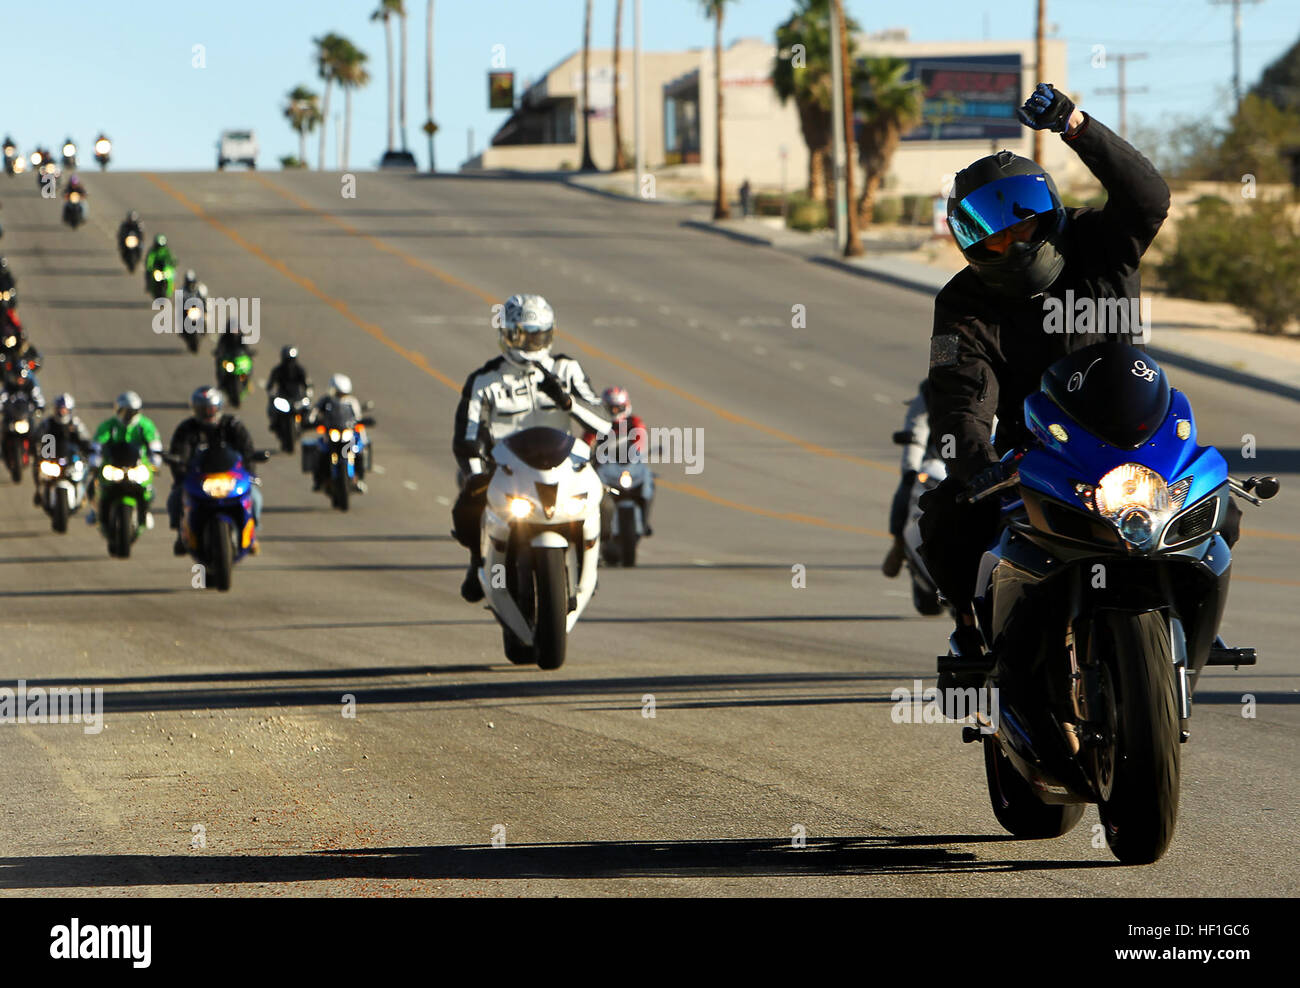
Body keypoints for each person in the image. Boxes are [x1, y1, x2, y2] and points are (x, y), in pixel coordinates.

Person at [918, 82, 1193, 676]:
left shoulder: (1100, 244)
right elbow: (959, 397)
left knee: (1220, 499)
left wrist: (1076, 125)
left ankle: (1191, 626)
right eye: (991, 231)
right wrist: (976, 464)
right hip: (1033, 456)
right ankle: (971, 630)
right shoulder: (962, 303)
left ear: (1046, 213)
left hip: (1131, 436)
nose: (1010, 238)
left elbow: (1149, 196)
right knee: (946, 515)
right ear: (968, 239)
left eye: (1020, 221)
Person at [450, 293, 610, 602]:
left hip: (562, 468)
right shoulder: (485, 380)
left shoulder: (567, 370)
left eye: (538, 336)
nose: (531, 344)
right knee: (467, 507)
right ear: (507, 334)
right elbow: (466, 435)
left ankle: (588, 565)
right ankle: (476, 560)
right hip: (507, 470)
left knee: (606, 505)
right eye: (523, 335)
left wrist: (567, 402)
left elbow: (604, 423)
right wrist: (476, 474)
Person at [166, 386, 262, 555]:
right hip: (200, 480)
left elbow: (247, 451)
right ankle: (181, 535)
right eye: (202, 410)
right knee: (175, 497)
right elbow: (179, 454)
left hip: (230, 478)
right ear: (195, 410)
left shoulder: (233, 425)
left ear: (218, 408)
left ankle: (252, 536)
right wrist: (182, 474)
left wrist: (250, 473)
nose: (207, 413)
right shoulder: (187, 429)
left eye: (210, 409)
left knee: (254, 496)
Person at [87, 391, 163, 528]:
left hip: (138, 465)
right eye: (124, 411)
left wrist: (155, 460)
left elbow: (155, 445)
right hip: (112, 465)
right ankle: (96, 511)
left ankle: (144, 512)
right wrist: (94, 460)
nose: (128, 415)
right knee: (94, 486)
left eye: (131, 411)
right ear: (117, 410)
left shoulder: (145, 425)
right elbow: (97, 444)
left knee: (149, 490)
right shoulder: (109, 425)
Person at [882, 380, 933, 578]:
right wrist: (911, 469)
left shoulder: (988, 389)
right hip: (933, 461)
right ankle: (899, 542)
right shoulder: (929, 394)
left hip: (970, 462)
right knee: (907, 485)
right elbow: (916, 431)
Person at [306, 373, 367, 493]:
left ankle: (358, 479)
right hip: (331, 435)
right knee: (321, 452)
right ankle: (319, 480)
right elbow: (314, 412)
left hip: (347, 435)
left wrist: (362, 423)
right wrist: (311, 420)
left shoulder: (351, 402)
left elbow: (358, 417)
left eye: (343, 393)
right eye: (338, 393)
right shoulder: (326, 401)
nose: (341, 396)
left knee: (359, 452)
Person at [31, 393, 92, 503]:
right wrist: (34, 447)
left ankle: (83, 494)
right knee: (37, 466)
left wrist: (89, 449)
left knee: (86, 468)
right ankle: (39, 491)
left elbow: (85, 439)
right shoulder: (48, 423)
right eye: (60, 409)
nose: (62, 412)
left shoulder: (75, 424)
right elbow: (37, 436)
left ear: (70, 410)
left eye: (65, 410)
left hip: (71, 459)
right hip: (51, 457)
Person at [266, 345, 312, 424]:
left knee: (308, 409)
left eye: (291, 360)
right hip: (282, 397)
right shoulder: (277, 370)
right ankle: (275, 423)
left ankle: (304, 423)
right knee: (271, 407)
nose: (289, 363)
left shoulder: (300, 370)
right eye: (287, 360)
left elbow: (307, 383)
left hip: (297, 398)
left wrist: (307, 394)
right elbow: (270, 384)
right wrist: (271, 394)